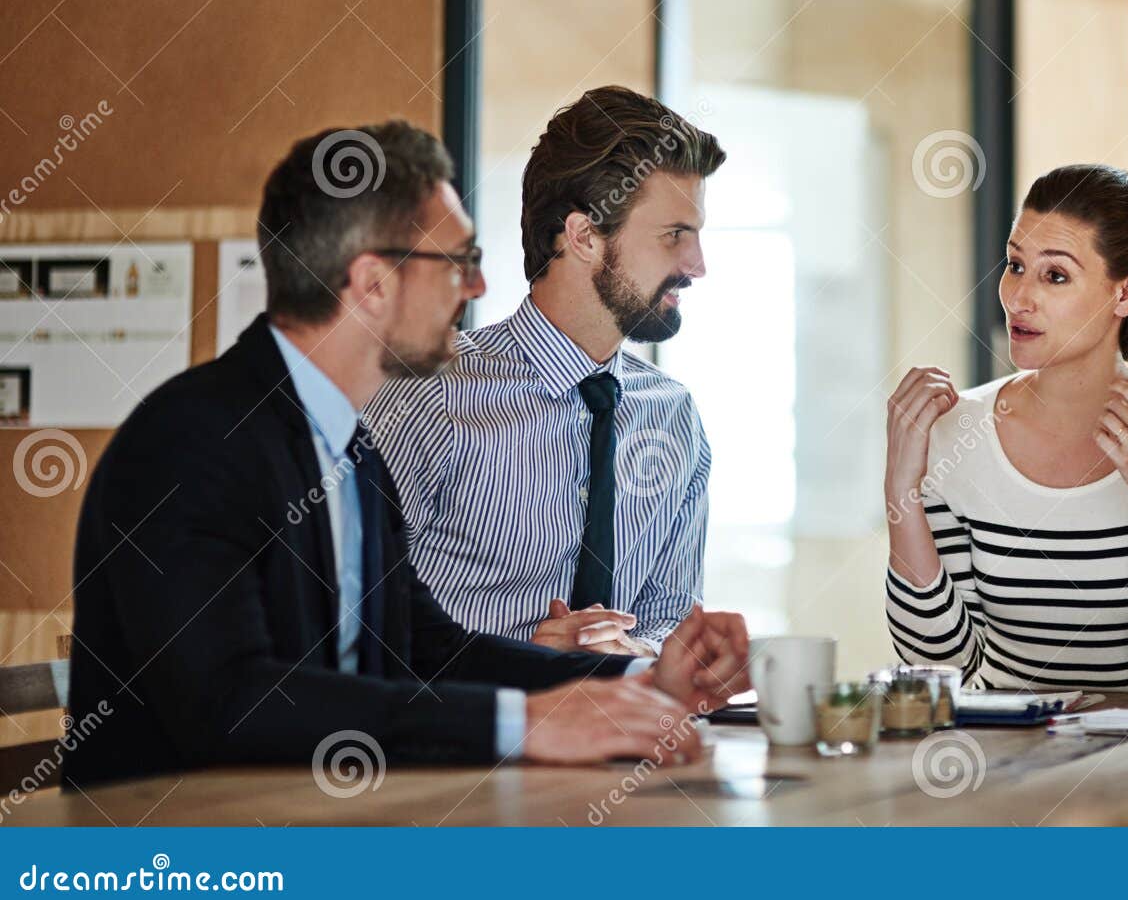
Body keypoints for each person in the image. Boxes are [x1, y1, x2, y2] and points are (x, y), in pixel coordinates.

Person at [65, 120, 748, 789]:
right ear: (372, 283)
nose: (476, 289)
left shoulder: (347, 449)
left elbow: (428, 649)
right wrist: (518, 723)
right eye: (457, 263)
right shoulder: (189, 441)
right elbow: (233, 702)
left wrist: (638, 678)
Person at [367, 87, 721, 657]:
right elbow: (345, 626)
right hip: (458, 741)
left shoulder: (675, 417)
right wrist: (525, 654)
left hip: (624, 743)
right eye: (674, 235)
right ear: (583, 236)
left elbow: (667, 624)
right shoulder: (426, 397)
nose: (697, 266)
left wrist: (649, 652)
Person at [884, 164, 1128, 695]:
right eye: (1015, 265)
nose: (1018, 298)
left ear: (1127, 293)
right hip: (1000, 760)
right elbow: (940, 664)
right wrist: (900, 490)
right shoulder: (954, 431)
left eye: (1054, 275)